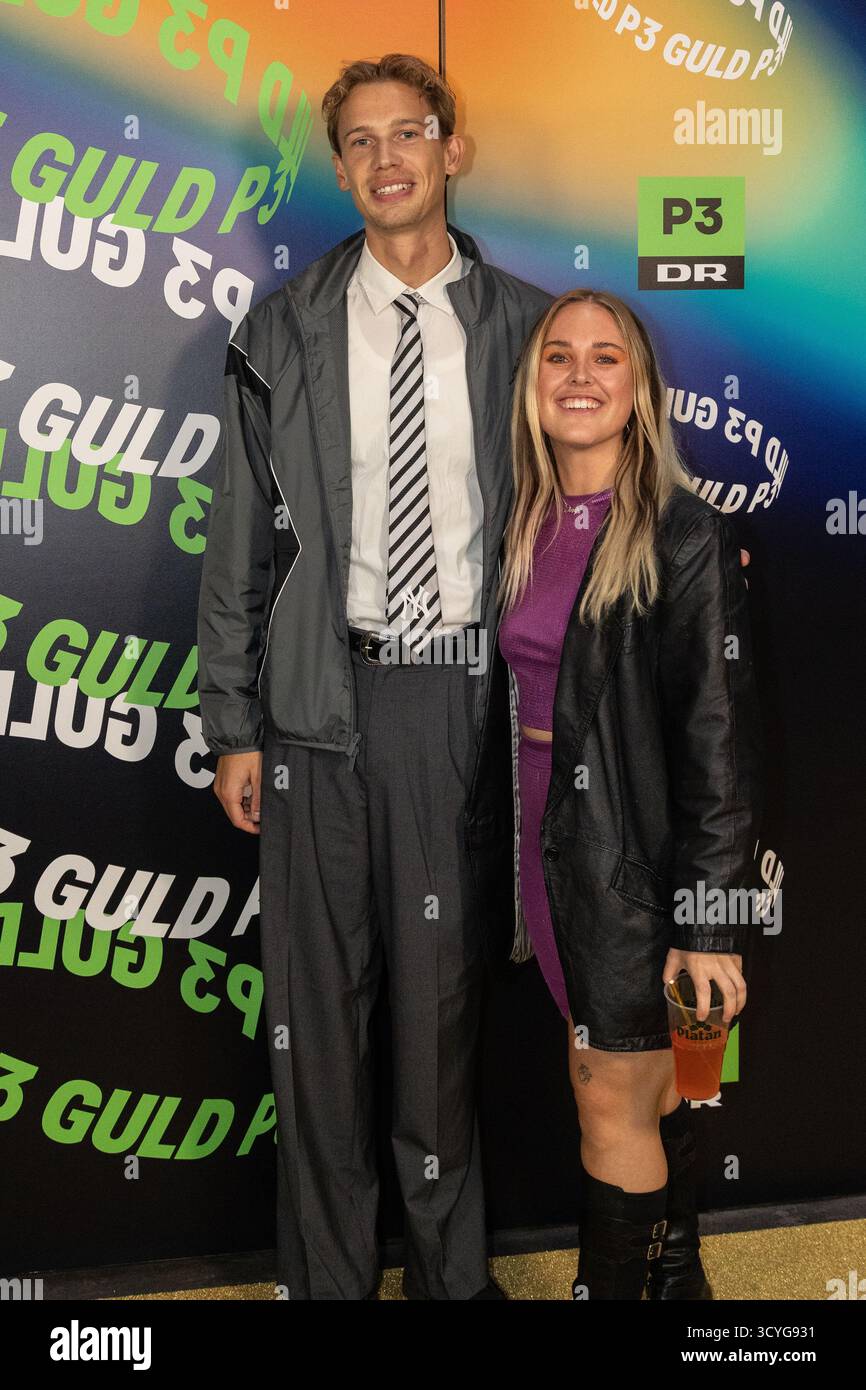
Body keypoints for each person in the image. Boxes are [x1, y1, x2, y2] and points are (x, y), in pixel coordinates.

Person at [196, 53, 553, 1299]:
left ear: (450, 151)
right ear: (339, 165)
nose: (386, 158)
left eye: (410, 133)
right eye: (359, 140)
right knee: (320, 1036)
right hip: (313, 714)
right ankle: (330, 1283)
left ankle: (451, 1281)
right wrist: (233, 723)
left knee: (439, 1021)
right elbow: (237, 538)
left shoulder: (525, 327)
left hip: (455, 706)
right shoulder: (282, 326)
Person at [465, 288, 764, 1300]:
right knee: (648, 1094)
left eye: (606, 357)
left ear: (638, 390)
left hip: (628, 867)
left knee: (609, 1101)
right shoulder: (520, 520)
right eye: (558, 356)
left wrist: (708, 923)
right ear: (532, 383)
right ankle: (676, 1279)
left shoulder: (683, 533)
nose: (580, 376)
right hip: (541, 850)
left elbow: (716, 744)